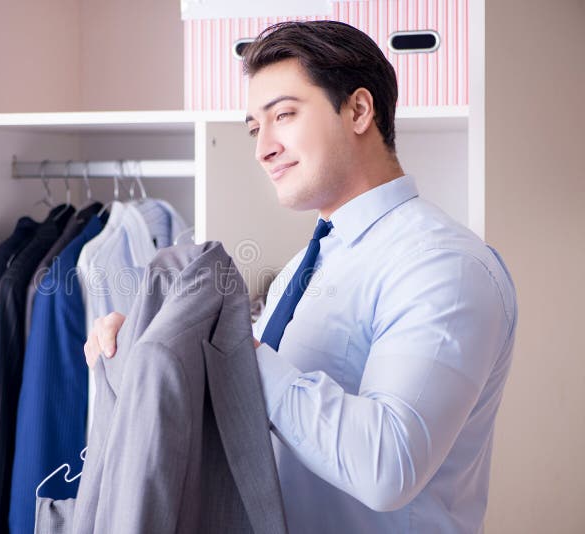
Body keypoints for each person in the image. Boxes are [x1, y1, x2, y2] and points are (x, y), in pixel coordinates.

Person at [83, 20, 516, 534]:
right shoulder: (302, 267)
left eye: (283, 115)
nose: (262, 148)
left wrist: (226, 348)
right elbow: (253, 415)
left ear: (359, 110)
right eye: (254, 129)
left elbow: (388, 468)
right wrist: (146, 345)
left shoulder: (443, 266)